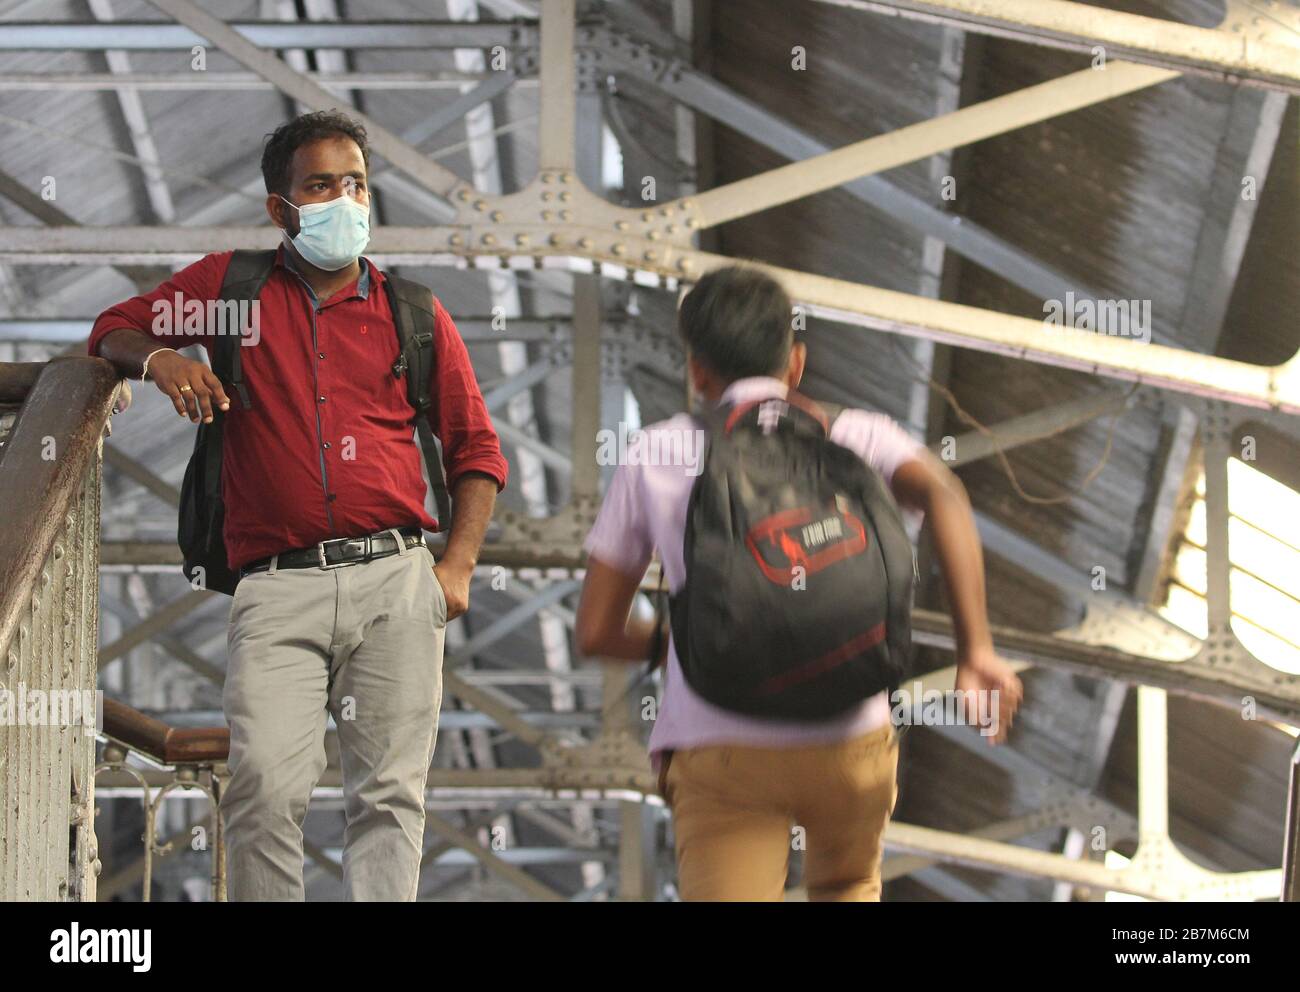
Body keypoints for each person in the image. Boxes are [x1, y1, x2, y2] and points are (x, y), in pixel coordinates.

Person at [88, 110, 508, 901]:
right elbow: (112, 329)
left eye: (355, 183)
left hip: (396, 580)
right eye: (320, 185)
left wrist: (455, 567)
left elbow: (475, 450)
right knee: (265, 793)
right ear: (280, 209)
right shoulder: (230, 293)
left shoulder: (414, 314)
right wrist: (163, 359)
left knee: (389, 798)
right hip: (277, 587)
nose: (343, 198)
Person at [575, 264, 1023, 901]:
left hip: (721, 748)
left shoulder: (656, 453)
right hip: (852, 747)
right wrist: (976, 653)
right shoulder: (859, 436)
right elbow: (947, 496)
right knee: (847, 886)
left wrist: (673, 642)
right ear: (797, 363)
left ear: (697, 372)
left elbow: (596, 631)